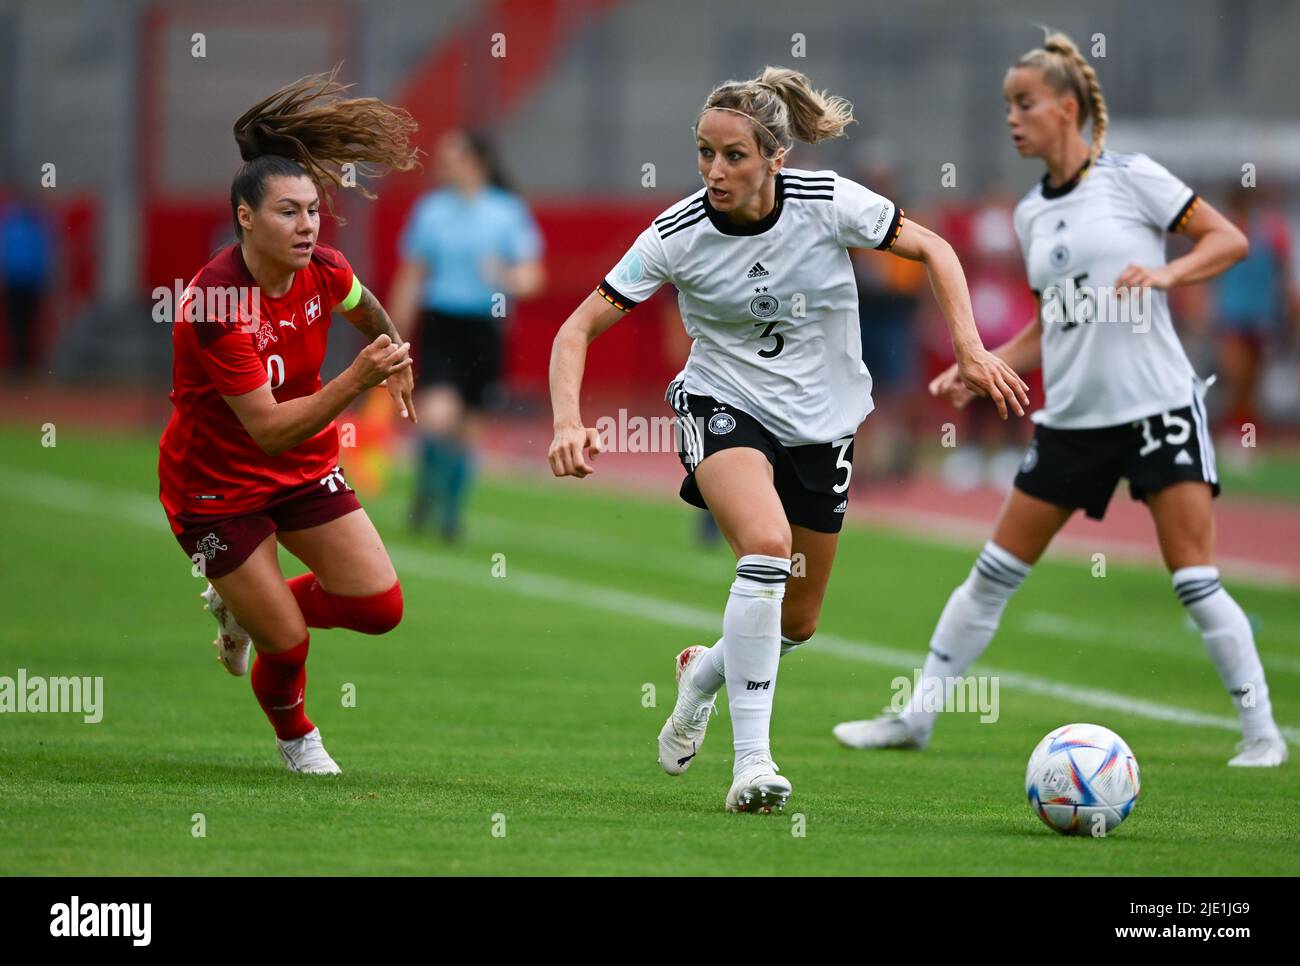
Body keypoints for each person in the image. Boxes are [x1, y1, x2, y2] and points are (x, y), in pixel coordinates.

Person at [548, 66, 1028, 812]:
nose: (714, 170)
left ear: (777, 158)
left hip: (823, 425)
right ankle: (752, 765)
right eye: (705, 152)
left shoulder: (829, 201)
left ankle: (702, 674)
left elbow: (936, 249)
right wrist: (567, 421)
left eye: (733, 155)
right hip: (722, 406)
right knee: (766, 546)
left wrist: (968, 347)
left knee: (797, 623)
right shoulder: (674, 235)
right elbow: (576, 328)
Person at [833, 32, 1287, 767]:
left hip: (1158, 409)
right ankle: (915, 719)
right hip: (1074, 420)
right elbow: (1052, 326)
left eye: (1025, 103)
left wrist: (1168, 276)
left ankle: (1261, 734)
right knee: (991, 574)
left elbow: (1226, 240)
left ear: (1067, 108)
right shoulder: (1030, 214)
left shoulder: (1132, 177)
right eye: (1007, 105)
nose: (1012, 118)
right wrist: (979, 364)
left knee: (1194, 578)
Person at [158, 68, 421, 774]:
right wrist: (358, 377)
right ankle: (298, 738)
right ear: (246, 218)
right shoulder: (216, 306)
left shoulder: (324, 268)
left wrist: (393, 352)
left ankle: (246, 607)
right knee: (288, 644)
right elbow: (268, 429)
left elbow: (364, 307)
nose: (306, 225)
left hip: (301, 469)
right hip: (217, 489)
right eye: (287, 212)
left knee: (379, 607)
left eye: (311, 210)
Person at [388, 130, 545, 541]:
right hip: (442, 324)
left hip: (486, 328)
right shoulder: (431, 210)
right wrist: (392, 330)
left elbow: (532, 277)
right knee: (436, 417)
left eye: (452, 158)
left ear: (476, 162)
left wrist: (505, 275)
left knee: (470, 428)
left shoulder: (506, 211)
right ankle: (429, 491)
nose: (442, 166)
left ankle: (449, 514)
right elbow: (412, 273)